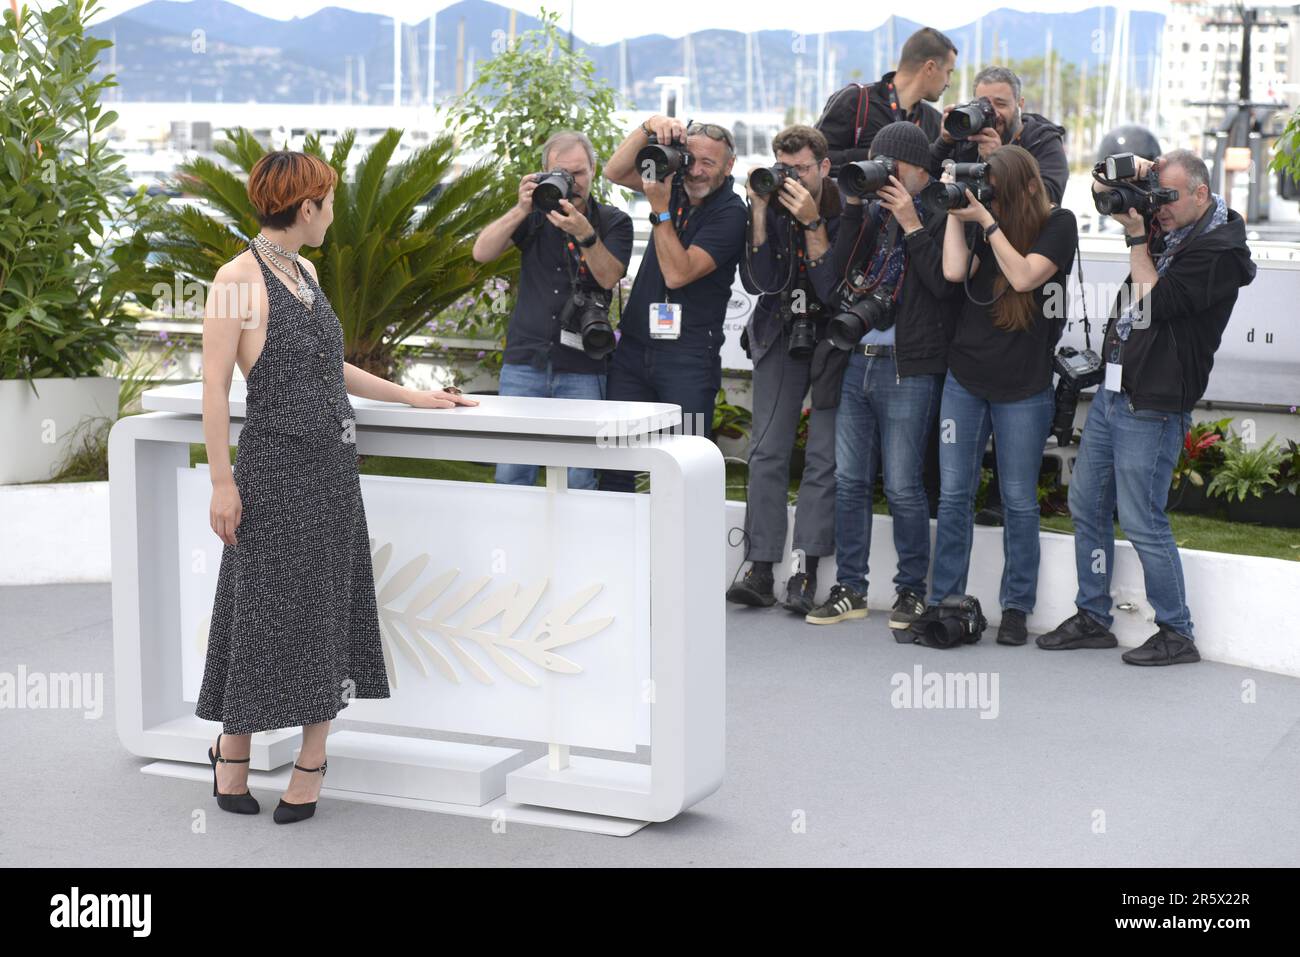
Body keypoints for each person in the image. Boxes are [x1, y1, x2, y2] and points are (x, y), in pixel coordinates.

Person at [196, 150, 476, 823]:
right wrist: (221, 483)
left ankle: (311, 763)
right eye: (327, 203)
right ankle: (231, 756)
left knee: (326, 614)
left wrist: (414, 396)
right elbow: (214, 386)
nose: (332, 214)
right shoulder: (237, 279)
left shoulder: (306, 272)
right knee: (259, 612)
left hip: (331, 471)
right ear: (304, 208)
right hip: (271, 470)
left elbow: (331, 365)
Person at [1038, 149, 1256, 665]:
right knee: (1086, 505)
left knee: (1142, 519)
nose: (1159, 208)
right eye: (1158, 196)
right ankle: (1092, 615)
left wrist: (1138, 237)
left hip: (1156, 401)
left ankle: (1177, 632)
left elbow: (1156, 302)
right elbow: (1103, 197)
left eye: (1170, 197)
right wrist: (1125, 176)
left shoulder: (1220, 251)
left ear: (1203, 194)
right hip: (1117, 390)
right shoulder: (1173, 220)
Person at [919, 145, 1078, 646]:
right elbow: (951, 272)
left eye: (1003, 196)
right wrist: (953, 212)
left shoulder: (1060, 222)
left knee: (1018, 501)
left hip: (1024, 386)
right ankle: (946, 598)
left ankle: (1016, 608)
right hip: (966, 377)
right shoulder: (981, 219)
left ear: (1028, 189)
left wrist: (988, 221)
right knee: (954, 496)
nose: (996, 203)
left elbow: (1025, 275)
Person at [803, 122, 958, 628]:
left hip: (906, 367)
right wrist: (850, 205)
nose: (883, 176)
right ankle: (851, 587)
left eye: (892, 168)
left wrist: (911, 222)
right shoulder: (868, 212)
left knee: (903, 485)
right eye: (877, 165)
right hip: (856, 357)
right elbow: (836, 276)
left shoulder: (942, 212)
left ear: (917, 170)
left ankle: (912, 591)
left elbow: (942, 285)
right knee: (849, 481)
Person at [472, 130, 633, 489]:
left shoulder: (613, 221)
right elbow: (481, 252)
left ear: (594, 170)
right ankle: (514, 545)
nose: (571, 183)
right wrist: (521, 208)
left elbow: (609, 278)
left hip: (583, 365)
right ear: (544, 173)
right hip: (525, 361)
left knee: (581, 475)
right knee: (513, 471)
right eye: (562, 173)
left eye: (579, 173)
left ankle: (579, 545)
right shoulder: (532, 217)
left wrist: (586, 234)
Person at [598, 116, 748, 492]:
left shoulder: (732, 213)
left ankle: (683, 549)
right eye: (690, 160)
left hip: (688, 357)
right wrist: (648, 128)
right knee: (615, 460)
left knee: (687, 465)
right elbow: (614, 171)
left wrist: (660, 210)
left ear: (729, 166)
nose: (695, 172)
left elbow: (677, 275)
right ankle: (611, 546)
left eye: (708, 164)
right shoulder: (674, 181)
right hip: (633, 350)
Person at [726, 125, 841, 613]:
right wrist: (758, 210)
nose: (791, 177)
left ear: (824, 167)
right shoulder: (769, 204)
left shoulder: (847, 203)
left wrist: (813, 222)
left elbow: (833, 286)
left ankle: (805, 570)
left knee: (823, 458)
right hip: (778, 330)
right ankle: (759, 565)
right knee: (767, 451)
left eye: (801, 169)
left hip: (835, 338)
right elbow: (760, 281)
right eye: (784, 167)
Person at [815, 26, 957, 181]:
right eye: (948, 72)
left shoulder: (934, 120)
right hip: (851, 204)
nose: (948, 82)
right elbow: (814, 160)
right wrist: (870, 156)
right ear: (929, 68)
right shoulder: (856, 100)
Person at [929, 65, 1069, 205]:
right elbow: (926, 177)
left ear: (1020, 104)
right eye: (983, 105)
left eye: (1000, 104)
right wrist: (944, 142)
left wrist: (999, 161)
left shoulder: (1042, 141)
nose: (992, 113)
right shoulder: (969, 137)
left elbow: (1048, 199)